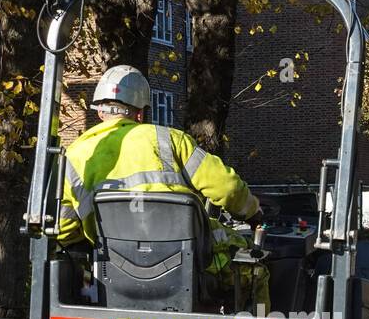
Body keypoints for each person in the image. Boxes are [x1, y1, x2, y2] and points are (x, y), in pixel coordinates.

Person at [59, 65, 266, 305]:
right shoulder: (168, 140)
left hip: (113, 273)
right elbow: (228, 188)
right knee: (255, 267)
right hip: (186, 268)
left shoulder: (73, 156)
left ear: (100, 112)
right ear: (140, 113)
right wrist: (252, 213)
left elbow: (64, 229)